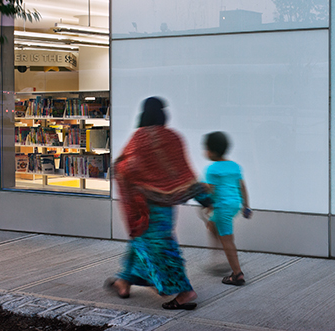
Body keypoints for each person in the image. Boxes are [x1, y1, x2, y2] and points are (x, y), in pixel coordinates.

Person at [106, 97, 211, 310]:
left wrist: (121, 168)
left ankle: (184, 292)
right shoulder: (173, 138)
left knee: (158, 247)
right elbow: (183, 174)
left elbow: (126, 167)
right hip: (166, 206)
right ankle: (123, 282)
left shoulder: (140, 138)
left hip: (144, 207)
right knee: (141, 243)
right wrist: (206, 198)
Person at [202, 131, 251, 286]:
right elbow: (242, 186)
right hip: (234, 204)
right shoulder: (235, 166)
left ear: (213, 151)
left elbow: (211, 191)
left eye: (206, 148)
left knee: (228, 240)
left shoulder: (212, 169)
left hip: (222, 207)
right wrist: (246, 206)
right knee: (213, 226)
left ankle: (237, 274)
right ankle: (221, 259)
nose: (205, 152)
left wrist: (208, 207)